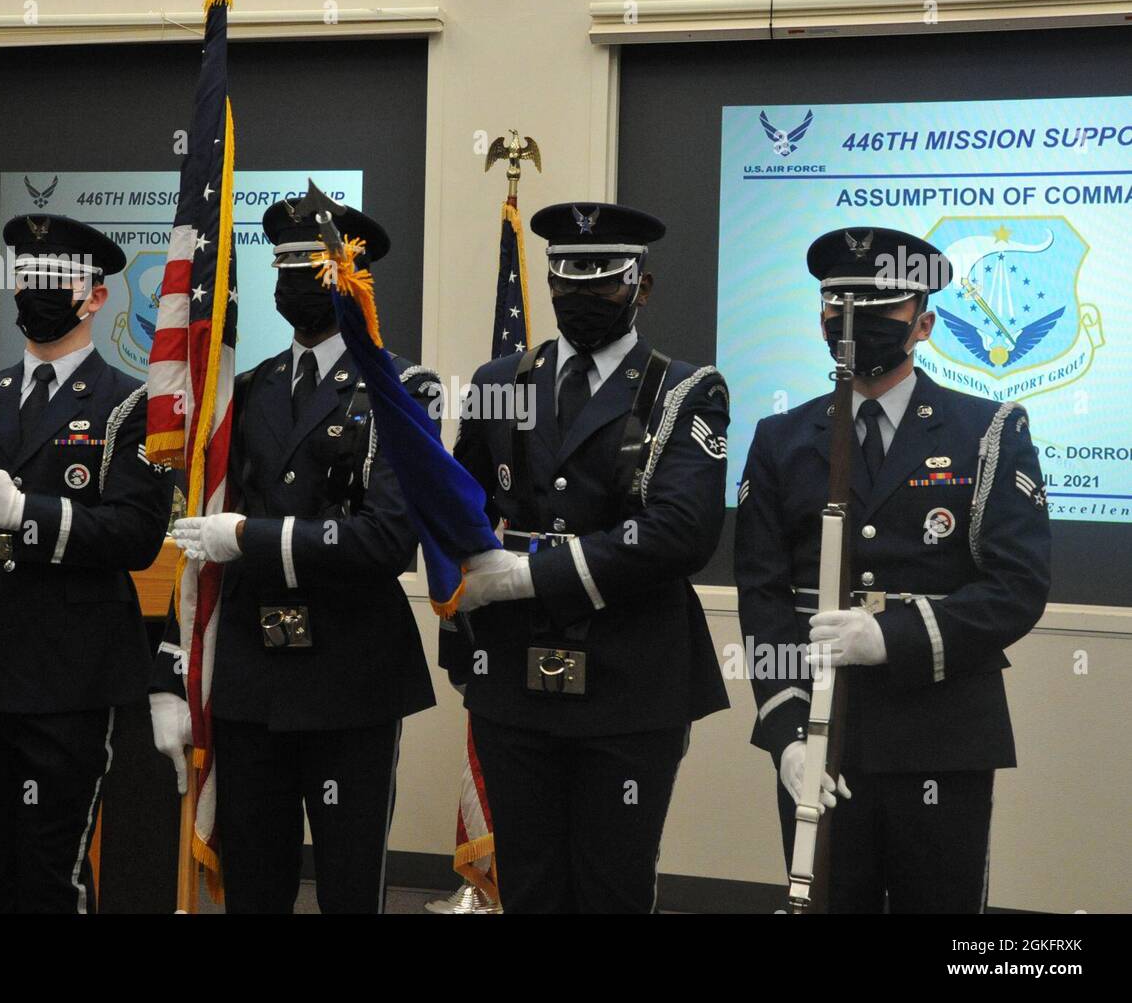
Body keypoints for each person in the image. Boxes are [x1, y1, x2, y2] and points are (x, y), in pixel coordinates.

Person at [736, 226, 1051, 913]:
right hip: (824, 734)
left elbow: (1018, 587)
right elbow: (761, 596)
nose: (853, 326)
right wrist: (786, 732)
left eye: (877, 311)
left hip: (941, 733)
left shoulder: (989, 431)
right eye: (836, 307)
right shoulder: (782, 439)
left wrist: (892, 636)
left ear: (925, 323)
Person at [149, 201, 437, 914]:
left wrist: (252, 537)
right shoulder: (247, 392)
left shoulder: (403, 388)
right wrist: (170, 664)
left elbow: (387, 537)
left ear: (352, 272)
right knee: (253, 881)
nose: (294, 286)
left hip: (350, 669)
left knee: (348, 881)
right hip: (252, 670)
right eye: (282, 268)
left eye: (310, 268)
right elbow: (197, 537)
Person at [444, 201, 730, 913]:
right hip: (514, 678)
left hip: (629, 683)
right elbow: (461, 509)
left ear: (642, 286)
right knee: (530, 885)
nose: (581, 298)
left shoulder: (686, 391)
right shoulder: (499, 381)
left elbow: (680, 532)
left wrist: (527, 572)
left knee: (612, 886)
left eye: (603, 283)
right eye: (567, 283)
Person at [0, 214, 171, 913]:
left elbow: (135, 533)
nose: (36, 292)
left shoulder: (132, 404)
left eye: (56, 280)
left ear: (96, 297)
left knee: (53, 878)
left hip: (71, 678)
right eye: (27, 277)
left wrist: (24, 512)